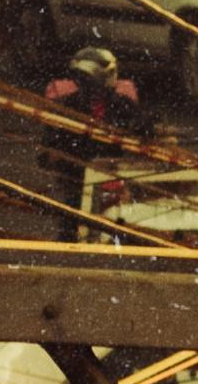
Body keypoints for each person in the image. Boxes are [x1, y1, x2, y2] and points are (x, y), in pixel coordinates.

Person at [41, 42, 142, 239]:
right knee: (72, 224)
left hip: (114, 178)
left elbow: (140, 136)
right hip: (78, 178)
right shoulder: (67, 106)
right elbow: (49, 149)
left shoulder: (123, 106)